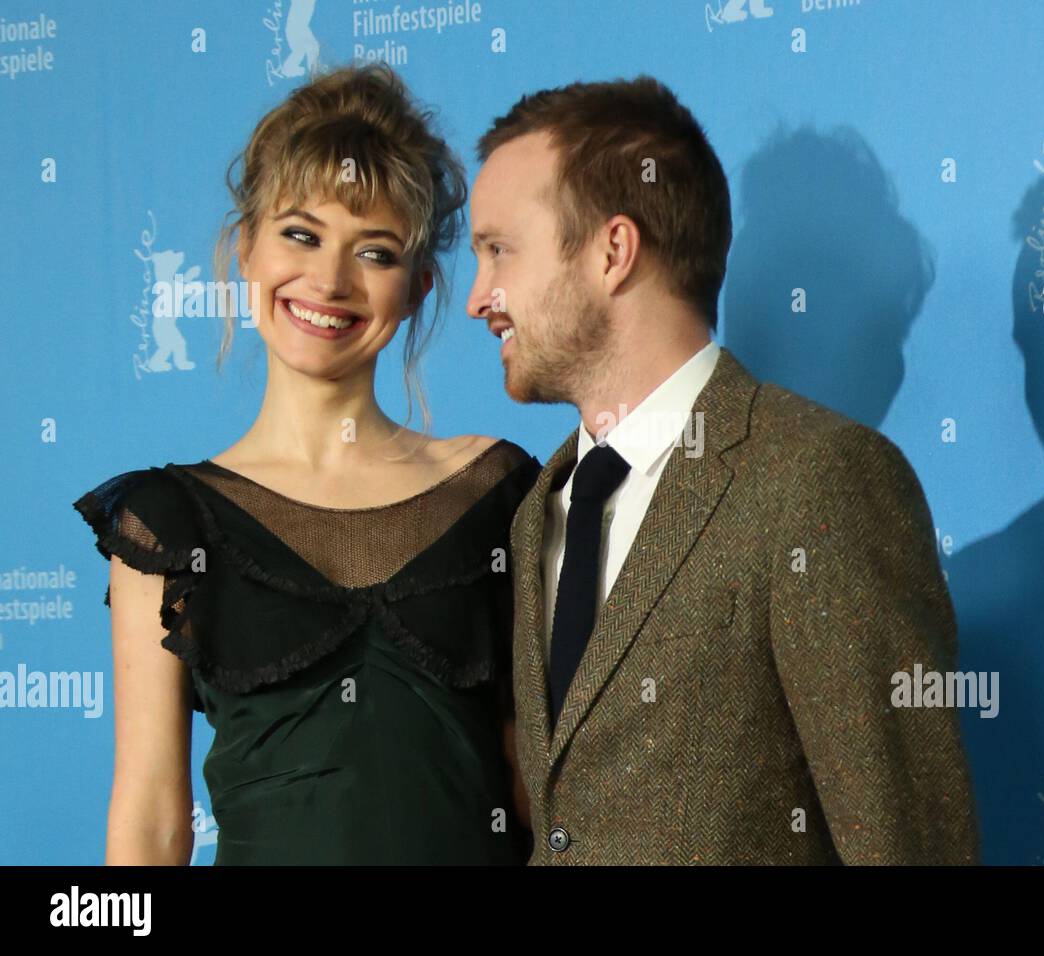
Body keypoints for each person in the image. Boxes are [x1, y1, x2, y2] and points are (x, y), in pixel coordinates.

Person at [466, 76, 980, 864]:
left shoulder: (819, 480)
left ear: (613, 251)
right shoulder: (539, 508)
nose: (479, 297)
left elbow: (908, 845)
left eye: (500, 250)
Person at [73, 63, 539, 865]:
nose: (329, 280)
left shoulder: (500, 493)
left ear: (420, 288)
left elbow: (543, 790)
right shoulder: (164, 521)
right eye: (300, 234)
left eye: (376, 253)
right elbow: (150, 824)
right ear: (245, 246)